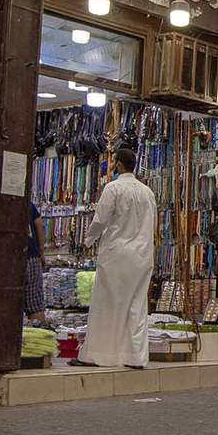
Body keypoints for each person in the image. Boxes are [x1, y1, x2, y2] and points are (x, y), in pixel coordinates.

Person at [72, 147, 156, 369]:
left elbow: (100, 220)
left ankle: (98, 355)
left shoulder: (114, 188)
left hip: (117, 254)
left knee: (107, 304)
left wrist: (87, 241)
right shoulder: (148, 193)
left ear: (119, 165)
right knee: (136, 306)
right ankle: (135, 357)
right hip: (141, 256)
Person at [25, 201, 47, 325]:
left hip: (7, 259)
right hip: (32, 257)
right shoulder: (27, 204)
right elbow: (39, 224)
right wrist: (41, 252)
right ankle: (38, 340)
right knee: (35, 305)